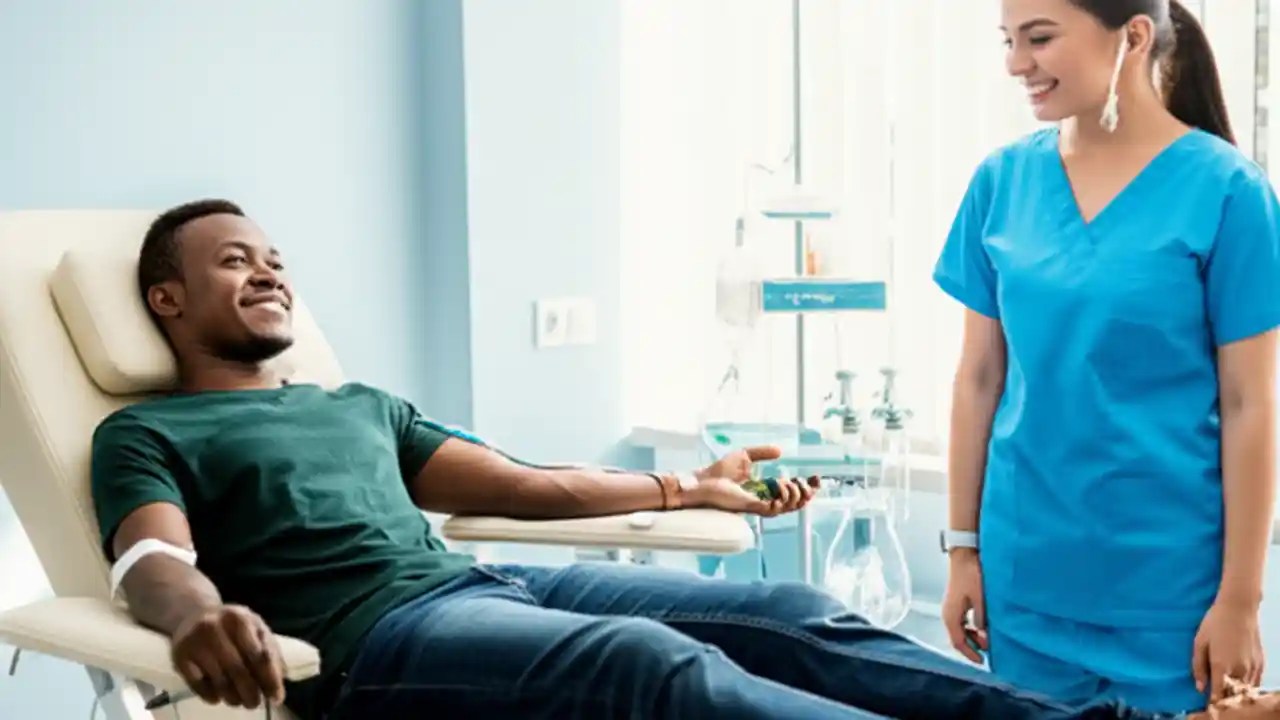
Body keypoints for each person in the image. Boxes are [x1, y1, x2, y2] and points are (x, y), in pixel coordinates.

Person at [92, 199, 1272, 720]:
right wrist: (196, 611)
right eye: (235, 261)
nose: (270, 273)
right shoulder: (147, 432)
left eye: (276, 257)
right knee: (645, 665)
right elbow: (149, 559)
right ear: (165, 298)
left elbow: (522, 488)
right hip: (370, 646)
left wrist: (683, 490)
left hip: (482, 586)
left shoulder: (355, 402)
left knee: (784, 610)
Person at [934, 0, 1280, 715]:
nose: (1014, 63)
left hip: (1169, 600)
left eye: (1039, 38)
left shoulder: (1231, 194)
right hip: (1023, 585)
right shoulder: (1000, 184)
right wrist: (962, 549)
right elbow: (978, 380)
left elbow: (1252, 405)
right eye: (1007, 41)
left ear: (1134, 36)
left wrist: (1241, 599)